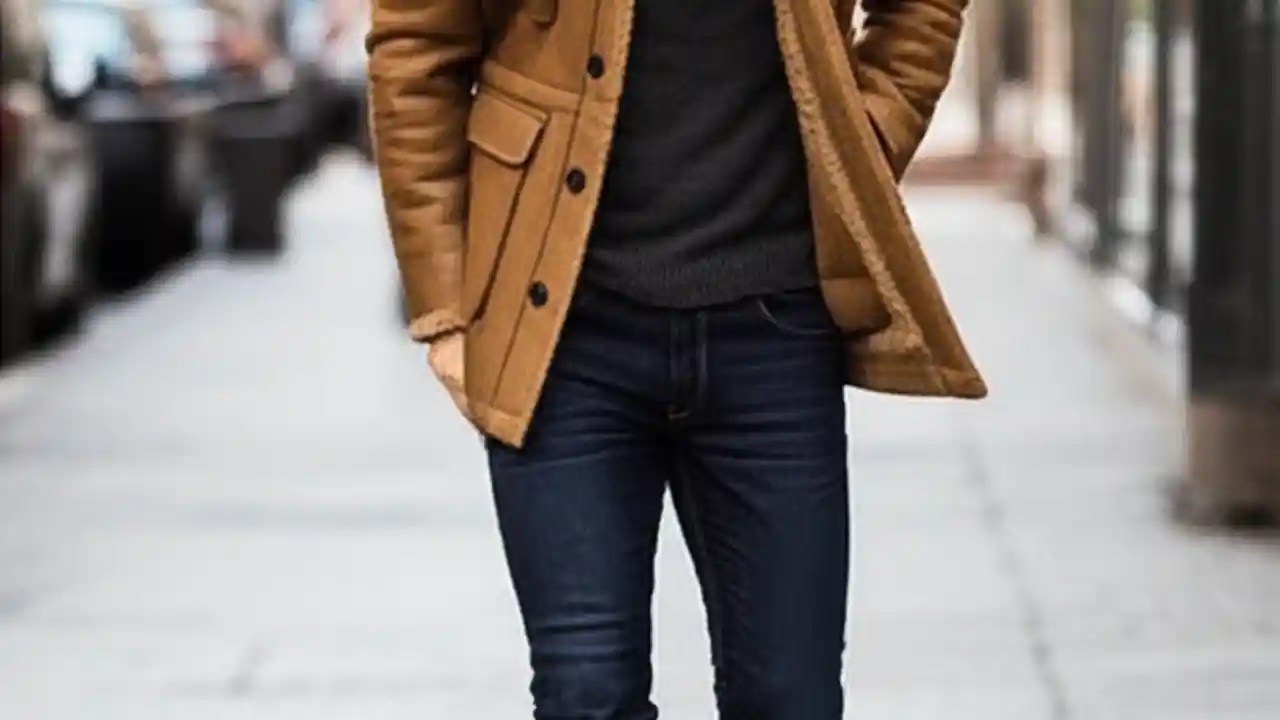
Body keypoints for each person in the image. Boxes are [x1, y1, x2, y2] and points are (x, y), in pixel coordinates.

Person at [367, 1, 985, 717]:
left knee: (790, 698)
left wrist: (861, 141)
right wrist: (444, 311)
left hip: (773, 332)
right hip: (561, 329)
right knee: (586, 695)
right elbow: (415, 46)